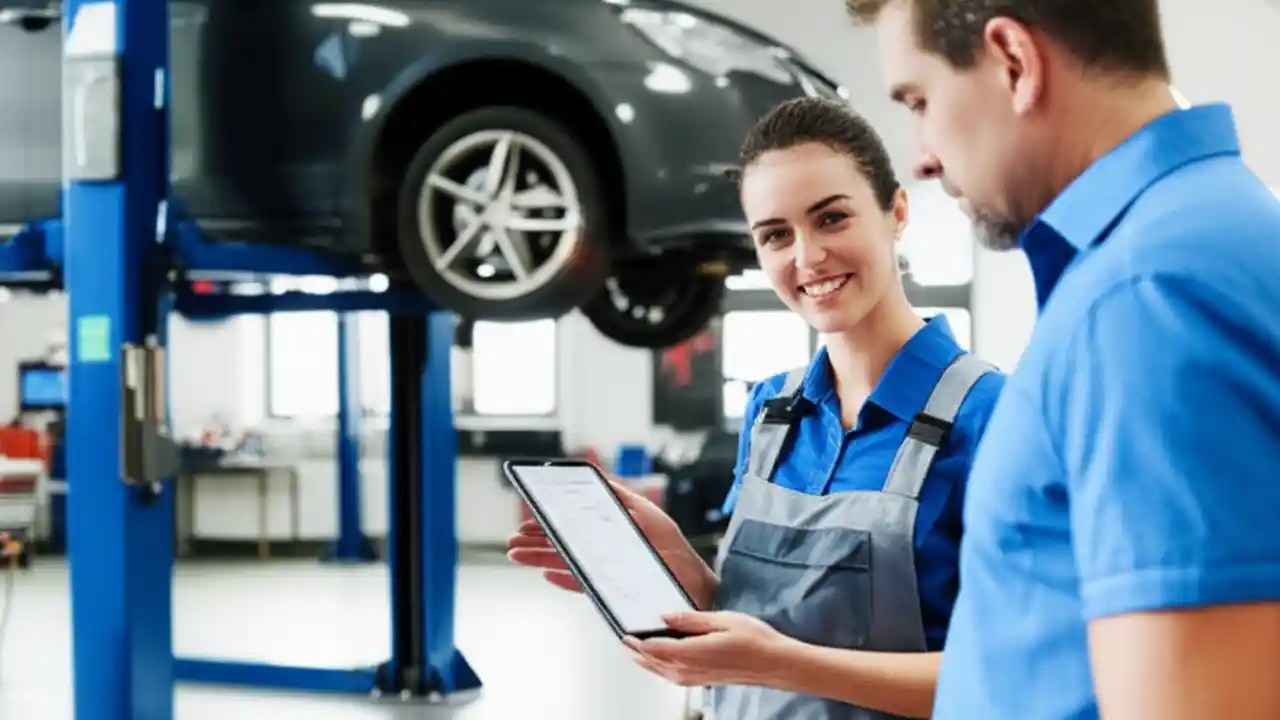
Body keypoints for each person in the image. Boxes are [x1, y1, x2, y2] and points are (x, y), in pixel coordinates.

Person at [841, 1, 1280, 718]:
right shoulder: (1203, 234)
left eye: (920, 101)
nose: (920, 154)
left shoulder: (1146, 296)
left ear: (1013, 60)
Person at [507, 96, 1006, 719]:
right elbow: (761, 618)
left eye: (831, 219)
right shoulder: (772, 410)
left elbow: (1008, 678)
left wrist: (776, 662)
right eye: (775, 234)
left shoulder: (993, 419)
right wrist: (677, 563)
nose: (807, 258)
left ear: (896, 211)